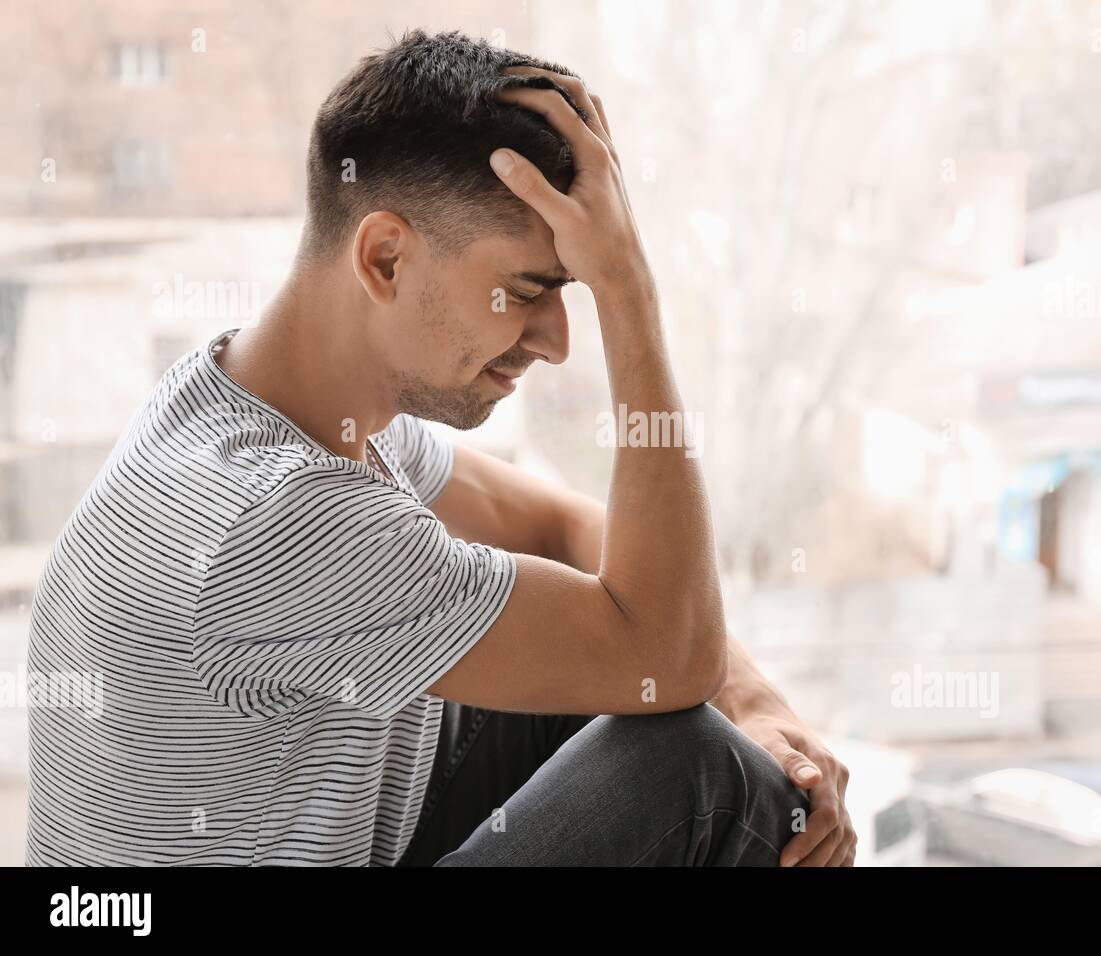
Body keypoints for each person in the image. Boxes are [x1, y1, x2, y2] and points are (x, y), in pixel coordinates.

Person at [25, 29, 855, 866]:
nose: (558, 340)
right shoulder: (277, 518)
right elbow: (667, 649)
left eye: (572, 290)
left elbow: (559, 529)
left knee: (677, 709)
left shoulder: (267, 399)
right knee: (700, 770)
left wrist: (758, 704)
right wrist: (627, 289)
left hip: (349, 826)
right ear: (386, 258)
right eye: (531, 289)